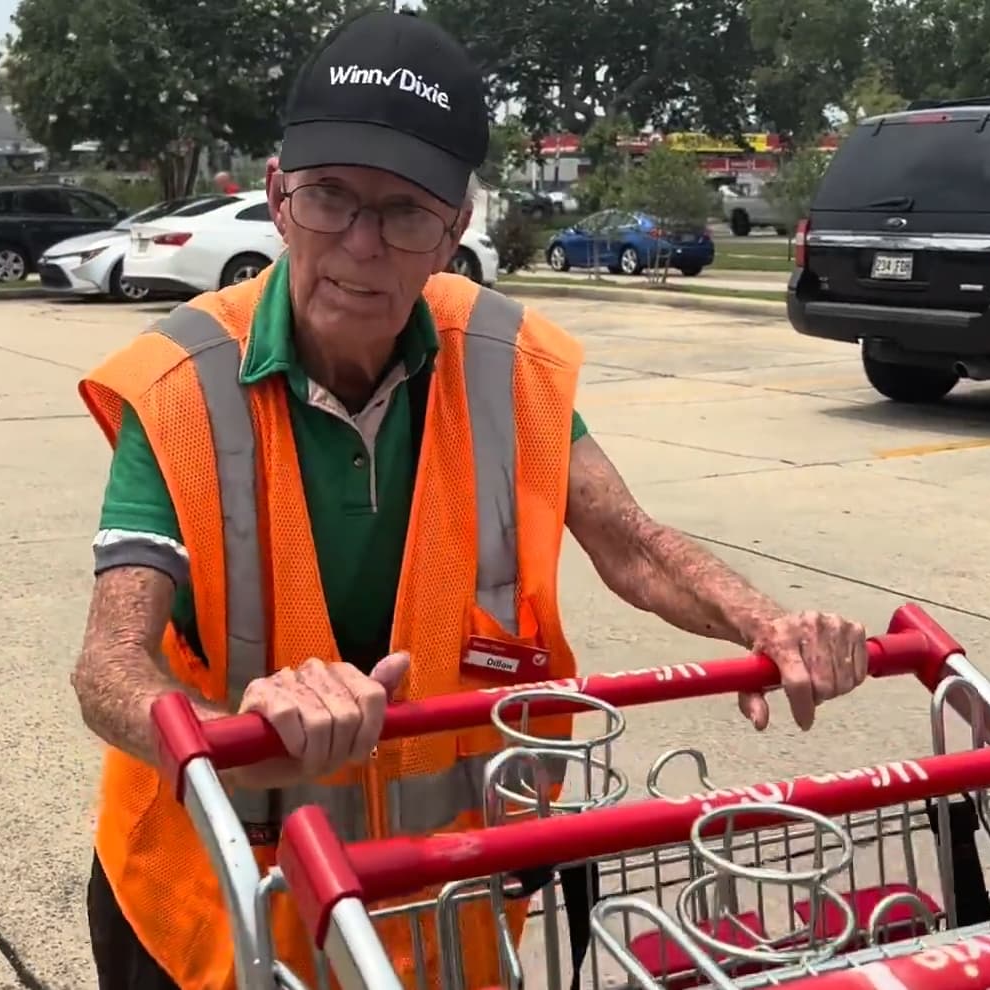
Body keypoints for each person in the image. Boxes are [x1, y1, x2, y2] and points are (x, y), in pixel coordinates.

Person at [71, 10, 873, 990]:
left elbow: (629, 544)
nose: (361, 245)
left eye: (403, 211)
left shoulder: (501, 364)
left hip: (433, 908)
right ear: (278, 198)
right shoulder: (182, 381)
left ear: (453, 229)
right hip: (212, 905)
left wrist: (765, 623)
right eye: (330, 198)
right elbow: (107, 662)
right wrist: (221, 725)